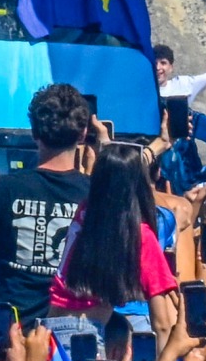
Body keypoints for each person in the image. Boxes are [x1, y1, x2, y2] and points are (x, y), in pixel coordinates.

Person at [0, 84, 92, 323]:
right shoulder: (97, 192)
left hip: (10, 330)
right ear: (83, 133)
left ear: (34, 133)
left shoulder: (1, 188)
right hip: (75, 331)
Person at [49, 141, 180, 341]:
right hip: (90, 336)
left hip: (50, 331)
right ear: (139, 184)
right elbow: (161, 324)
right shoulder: (140, 235)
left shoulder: (84, 216)